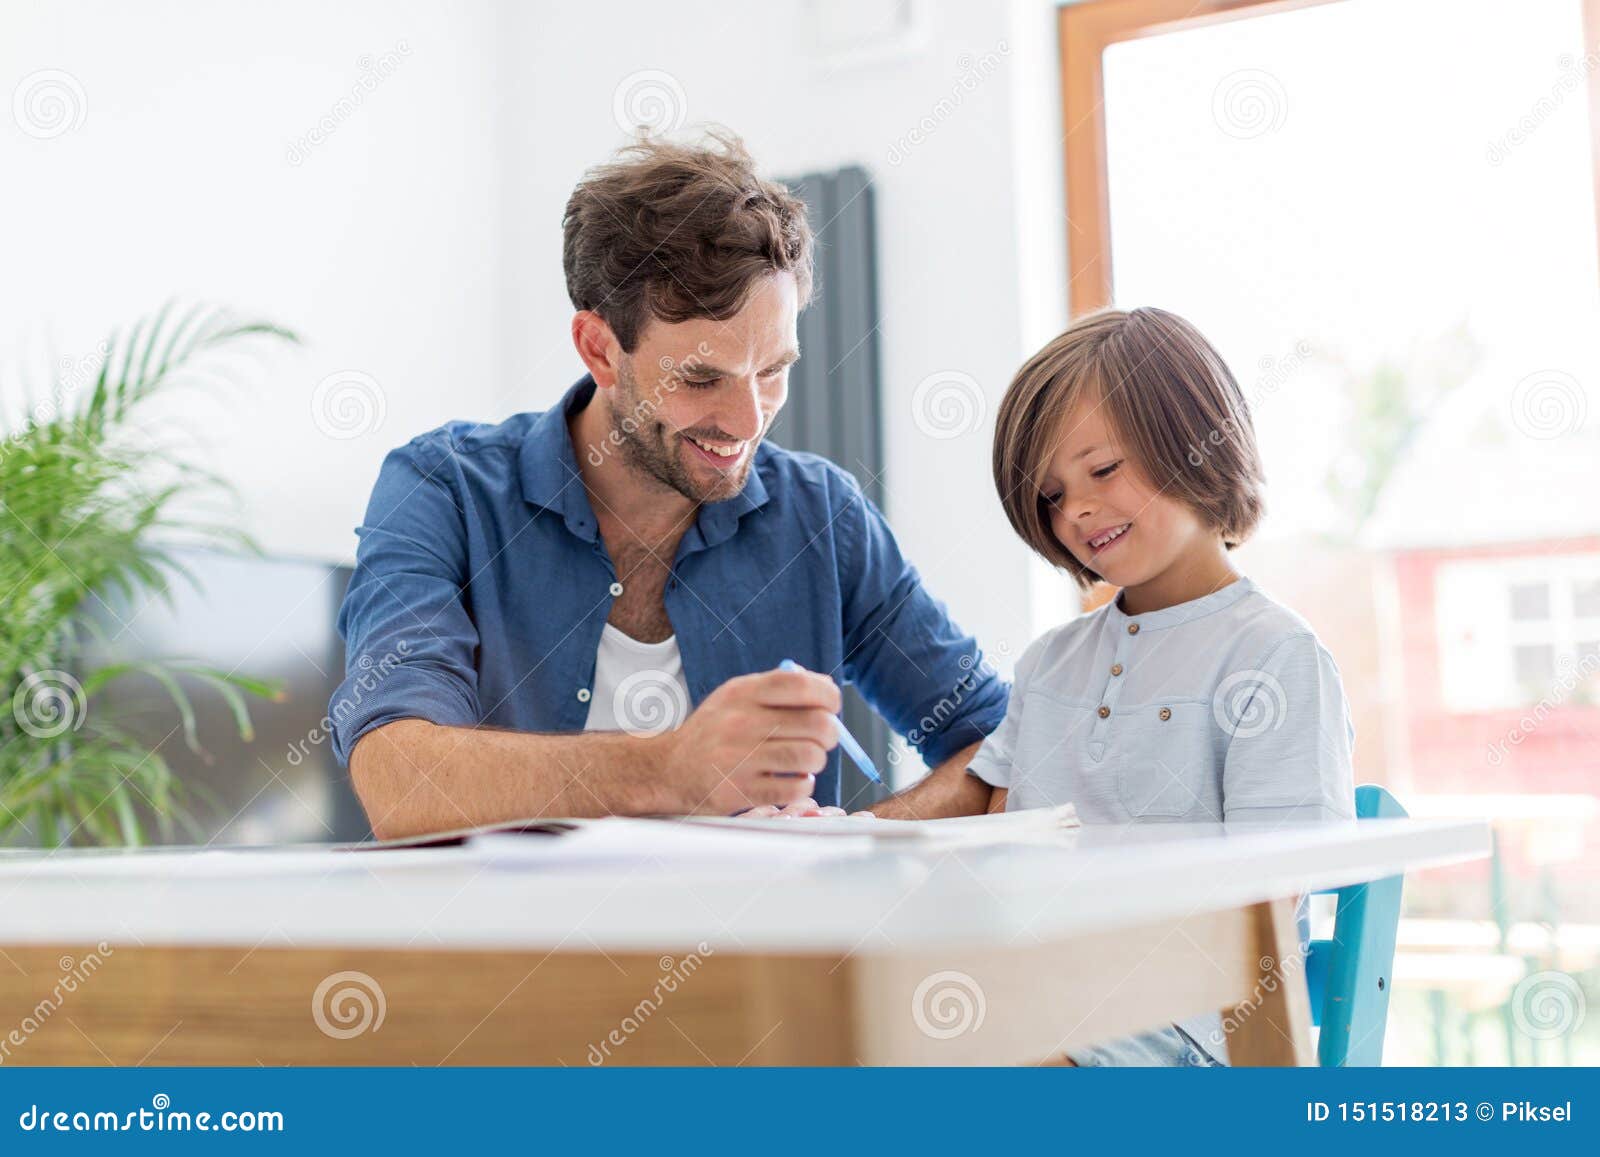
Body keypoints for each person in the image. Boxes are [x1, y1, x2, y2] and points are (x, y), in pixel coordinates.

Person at [329, 131, 1007, 839]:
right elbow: (398, 777)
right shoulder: (444, 491)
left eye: (773, 369)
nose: (749, 420)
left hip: (757, 950)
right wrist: (668, 770)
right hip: (518, 948)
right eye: (700, 378)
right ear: (600, 349)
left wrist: (844, 842)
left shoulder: (822, 516)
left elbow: (996, 745)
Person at [961, 306, 1357, 1064]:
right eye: (1050, 494)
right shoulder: (1049, 663)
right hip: (1041, 1001)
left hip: (1189, 1034)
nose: (1075, 508)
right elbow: (997, 840)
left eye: (1103, 469)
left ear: (1195, 438)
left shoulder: (1275, 655)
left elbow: (1270, 902)